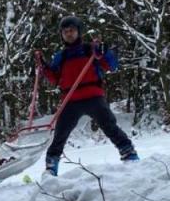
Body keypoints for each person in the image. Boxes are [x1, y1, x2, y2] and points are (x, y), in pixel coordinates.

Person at [36, 15, 139, 176]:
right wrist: (44, 67)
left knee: (109, 125)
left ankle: (129, 153)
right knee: (60, 134)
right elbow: (55, 79)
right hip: (70, 100)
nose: (69, 34)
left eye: (72, 31)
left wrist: (106, 52)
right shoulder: (61, 56)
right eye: (65, 32)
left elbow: (111, 65)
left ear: (78, 32)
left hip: (93, 96)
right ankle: (51, 166)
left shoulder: (90, 49)